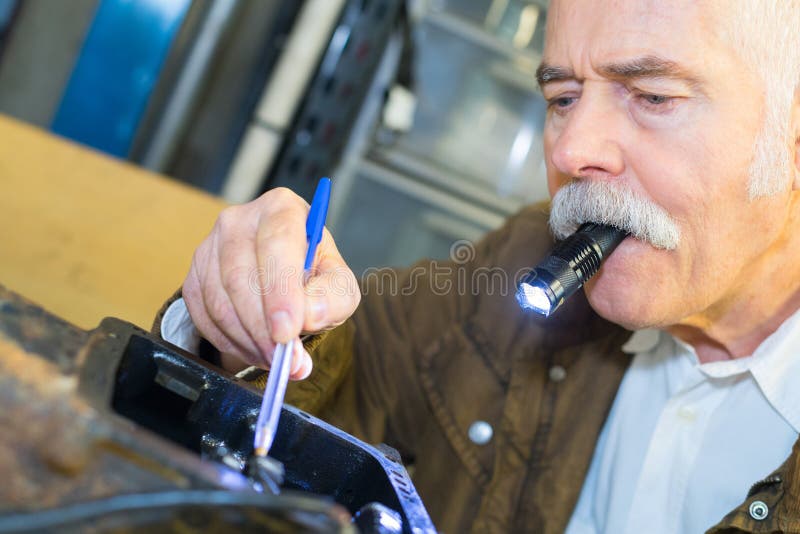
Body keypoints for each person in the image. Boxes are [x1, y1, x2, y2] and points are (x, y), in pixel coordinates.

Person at [155, 1, 800, 532]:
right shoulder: (528, 259)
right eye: (564, 98)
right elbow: (346, 364)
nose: (572, 150)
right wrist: (238, 318)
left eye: (653, 96)